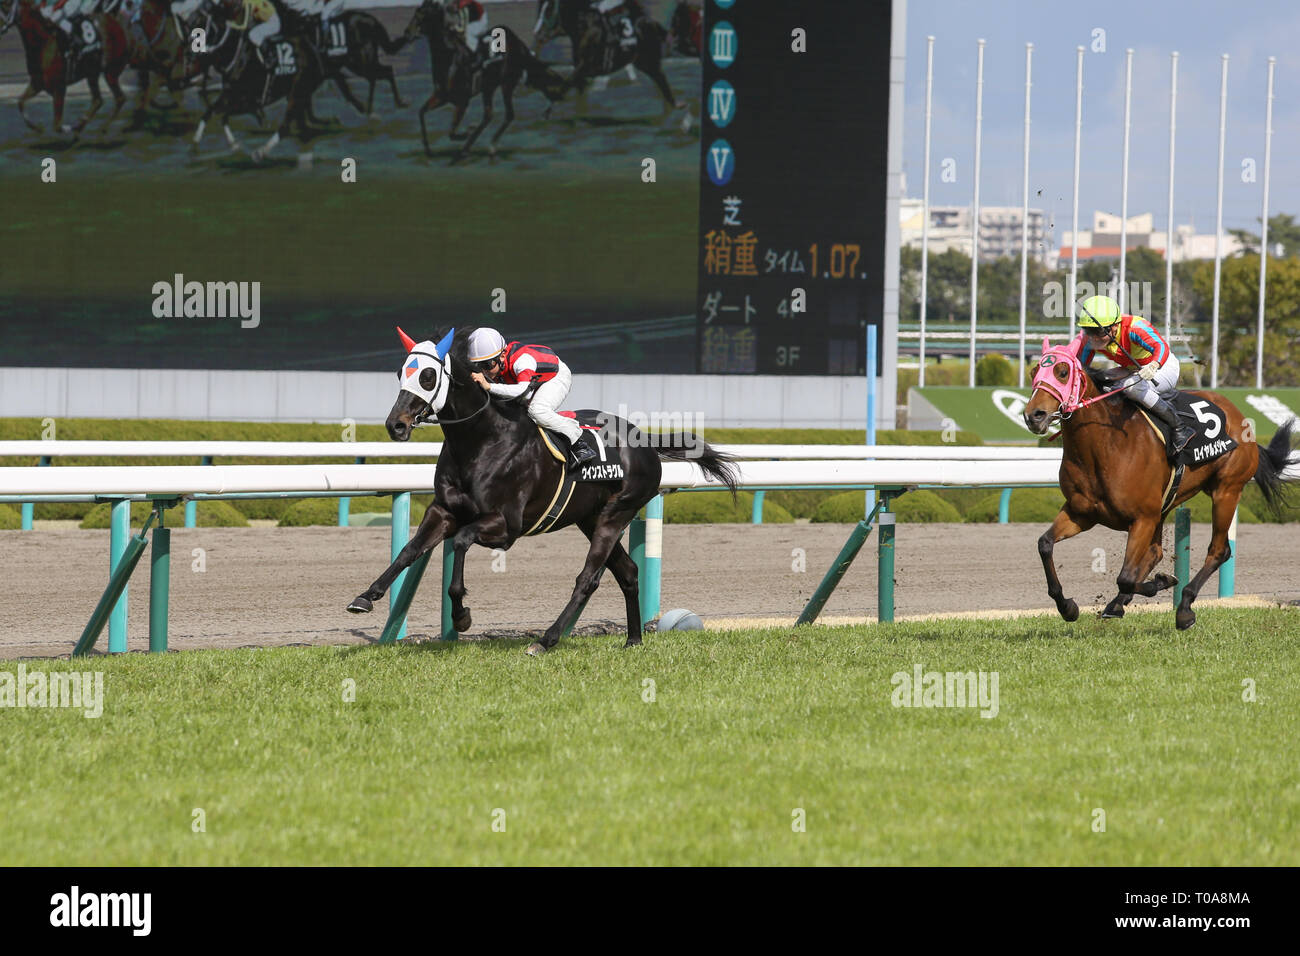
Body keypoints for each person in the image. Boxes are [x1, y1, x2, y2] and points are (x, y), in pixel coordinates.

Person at [1076, 293, 1195, 457]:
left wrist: (1154, 365)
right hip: (1132, 369)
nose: (1093, 337)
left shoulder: (1135, 327)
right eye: (1088, 331)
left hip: (1163, 366)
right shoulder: (1092, 338)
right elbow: (1080, 367)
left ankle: (1179, 427)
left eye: (1098, 331)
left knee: (1130, 388)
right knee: (1099, 381)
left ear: (1115, 326)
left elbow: (1161, 346)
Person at [466, 328, 600, 467]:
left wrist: (489, 386)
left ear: (503, 355)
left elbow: (523, 390)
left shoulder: (522, 361)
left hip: (555, 377)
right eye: (478, 365)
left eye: (487, 365)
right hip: (531, 382)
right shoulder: (497, 365)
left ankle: (579, 443)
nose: (484, 371)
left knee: (537, 411)